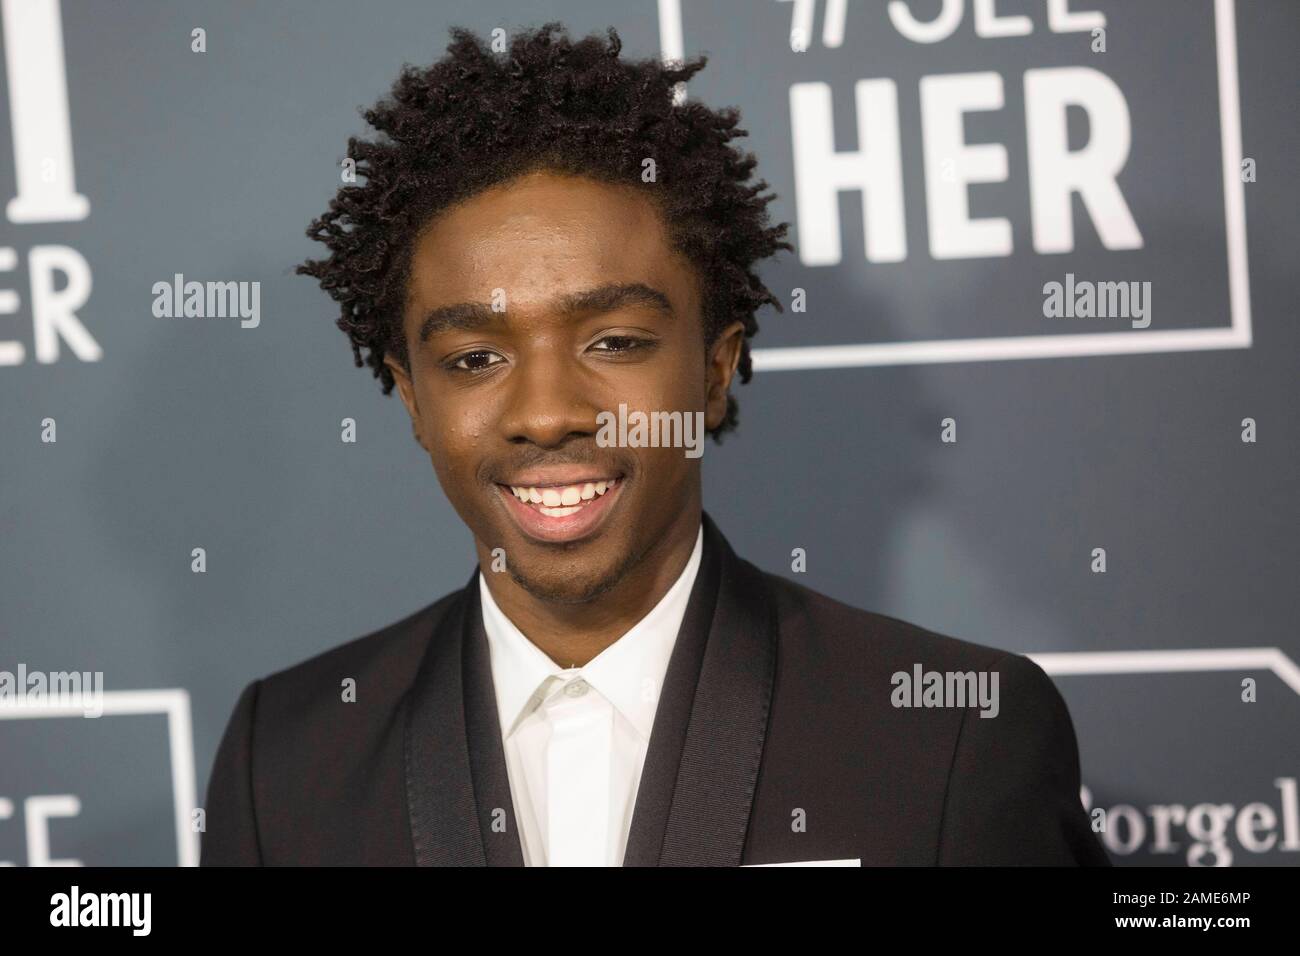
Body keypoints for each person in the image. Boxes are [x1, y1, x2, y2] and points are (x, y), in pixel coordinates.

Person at [200, 22, 1110, 867]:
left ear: (715, 370)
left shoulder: (951, 734)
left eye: (615, 343)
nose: (548, 412)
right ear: (412, 398)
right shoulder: (283, 762)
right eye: (474, 357)